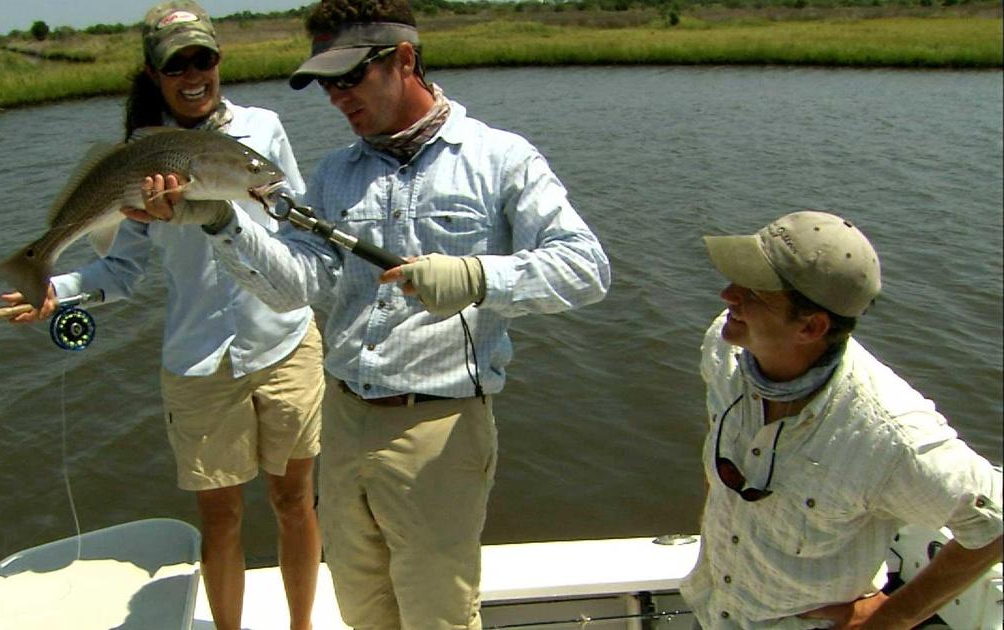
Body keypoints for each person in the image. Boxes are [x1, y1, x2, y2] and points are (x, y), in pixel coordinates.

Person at [134, 1, 610, 627]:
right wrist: (223, 223)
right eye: (326, 83)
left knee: (436, 616)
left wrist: (477, 277)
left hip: (437, 429)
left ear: (404, 59)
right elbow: (295, 284)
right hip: (344, 422)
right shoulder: (334, 174)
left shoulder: (501, 158)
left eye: (350, 77)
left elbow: (585, 268)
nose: (336, 97)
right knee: (363, 614)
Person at [0, 3, 323, 629]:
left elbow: (295, 226)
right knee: (220, 516)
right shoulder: (139, 159)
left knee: (294, 500)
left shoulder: (262, 130)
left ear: (219, 61)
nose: (194, 73)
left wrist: (257, 197)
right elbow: (119, 274)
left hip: (284, 341)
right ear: (154, 74)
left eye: (204, 58)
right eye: (178, 64)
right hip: (200, 359)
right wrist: (55, 289)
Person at [686, 210, 1003, 629]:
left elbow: (994, 525)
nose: (728, 295)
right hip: (715, 613)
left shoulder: (891, 437)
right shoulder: (725, 346)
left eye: (754, 293)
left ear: (811, 327)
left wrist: (889, 617)